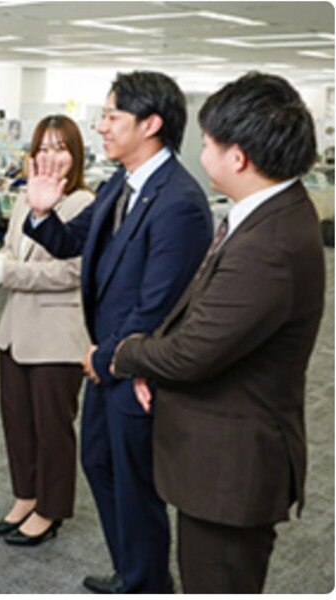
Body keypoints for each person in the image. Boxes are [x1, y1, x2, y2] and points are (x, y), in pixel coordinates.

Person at [111, 72, 325, 593]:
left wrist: (130, 353)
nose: (201, 155)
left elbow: (192, 352)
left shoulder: (268, 244)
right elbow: (205, 315)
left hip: (231, 472)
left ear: (239, 157)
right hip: (220, 453)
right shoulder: (267, 214)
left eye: (207, 144)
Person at [23, 71, 213, 593]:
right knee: (100, 462)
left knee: (135, 481)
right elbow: (72, 242)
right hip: (107, 362)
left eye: (111, 116)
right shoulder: (119, 184)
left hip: (136, 367)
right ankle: (133, 571)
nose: (101, 126)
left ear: (150, 124)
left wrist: (106, 356)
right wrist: (42, 212)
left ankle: (148, 582)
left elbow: (159, 305)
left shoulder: (179, 201)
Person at [0, 115, 92, 545]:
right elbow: (11, 248)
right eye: (42, 148)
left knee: (52, 428)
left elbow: (73, 271)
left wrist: (10, 273)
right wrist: (0, 262)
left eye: (60, 148)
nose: (50, 156)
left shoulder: (84, 204)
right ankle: (26, 495)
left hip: (57, 335)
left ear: (76, 155)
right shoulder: (25, 198)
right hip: (15, 329)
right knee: (17, 423)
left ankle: (51, 509)